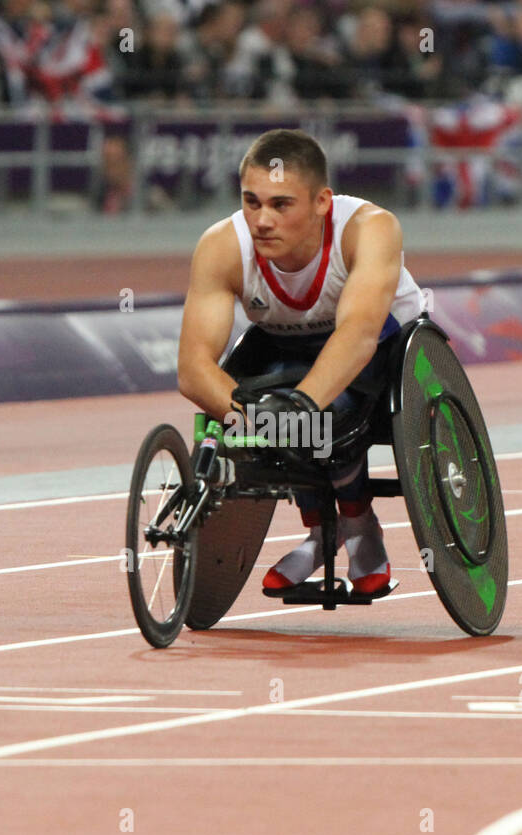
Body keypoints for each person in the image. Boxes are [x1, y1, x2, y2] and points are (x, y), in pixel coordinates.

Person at [177, 129, 424, 597]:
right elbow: (193, 368)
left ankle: (359, 525)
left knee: (325, 417)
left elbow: (358, 335)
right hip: (283, 341)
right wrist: (253, 418)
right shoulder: (222, 245)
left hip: (379, 341)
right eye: (252, 202)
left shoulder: (370, 228)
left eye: (280, 204)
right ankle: (318, 532)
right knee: (267, 416)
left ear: (321, 202)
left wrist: (299, 407)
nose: (261, 220)